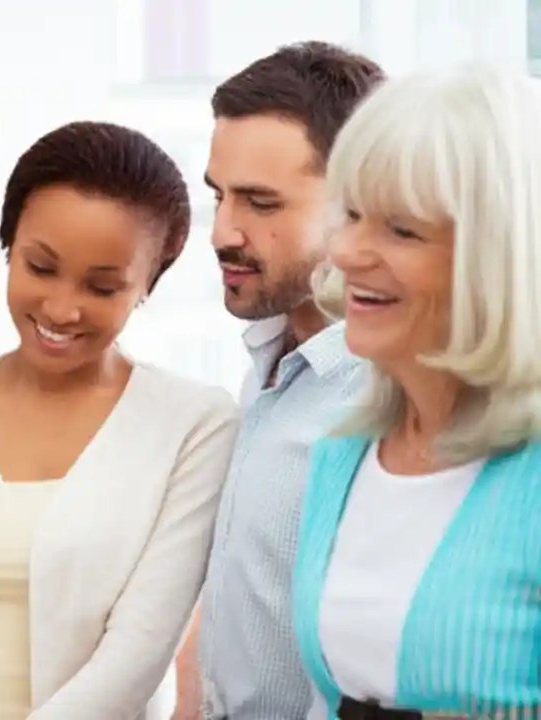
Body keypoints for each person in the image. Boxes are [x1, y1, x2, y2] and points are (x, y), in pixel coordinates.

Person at [0, 121, 237, 720]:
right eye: (41, 268)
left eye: (103, 287)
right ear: (8, 247)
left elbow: (139, 653)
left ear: (148, 285)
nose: (62, 309)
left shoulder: (196, 426)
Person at [294, 64, 541, 719]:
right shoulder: (340, 458)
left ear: (497, 259)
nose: (346, 251)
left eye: (400, 229)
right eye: (349, 214)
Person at [171, 42, 384, 720]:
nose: (222, 233)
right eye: (218, 196)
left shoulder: (384, 403)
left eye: (261, 203)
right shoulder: (265, 363)